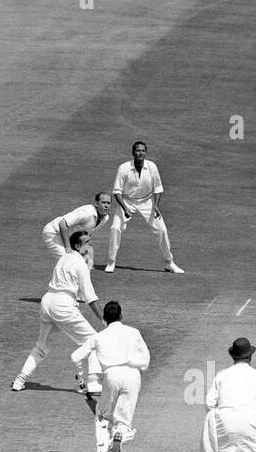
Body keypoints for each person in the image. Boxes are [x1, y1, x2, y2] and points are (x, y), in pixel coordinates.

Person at [11, 231, 104, 394]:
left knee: (41, 345)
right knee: (94, 341)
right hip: (63, 305)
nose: (90, 245)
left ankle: (20, 379)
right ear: (78, 246)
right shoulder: (80, 264)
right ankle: (93, 383)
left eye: (90, 241)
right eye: (87, 242)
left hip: (47, 302)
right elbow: (90, 297)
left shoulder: (64, 257)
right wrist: (104, 320)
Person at [71, 301, 150, 452]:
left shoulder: (98, 337)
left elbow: (76, 357)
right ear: (120, 316)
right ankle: (120, 434)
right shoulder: (134, 332)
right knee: (123, 421)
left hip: (112, 375)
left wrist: (81, 377)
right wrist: (139, 366)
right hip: (133, 376)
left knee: (102, 415)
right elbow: (146, 359)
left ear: (104, 320)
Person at [108, 141, 184, 273]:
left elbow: (158, 188)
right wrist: (125, 208)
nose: (140, 153)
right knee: (115, 228)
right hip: (127, 201)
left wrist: (155, 206)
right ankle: (111, 262)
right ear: (133, 153)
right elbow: (117, 191)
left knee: (162, 230)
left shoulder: (152, 167)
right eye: (138, 150)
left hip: (147, 201)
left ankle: (169, 263)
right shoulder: (123, 168)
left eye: (143, 151)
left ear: (145, 153)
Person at [42, 193, 113, 262]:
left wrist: (84, 250)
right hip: (54, 233)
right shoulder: (87, 213)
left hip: (70, 237)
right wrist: (68, 247)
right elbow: (62, 223)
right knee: (68, 261)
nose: (106, 205)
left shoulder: (105, 218)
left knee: (82, 261)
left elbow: (87, 233)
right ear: (96, 204)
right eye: (103, 202)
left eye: (108, 203)